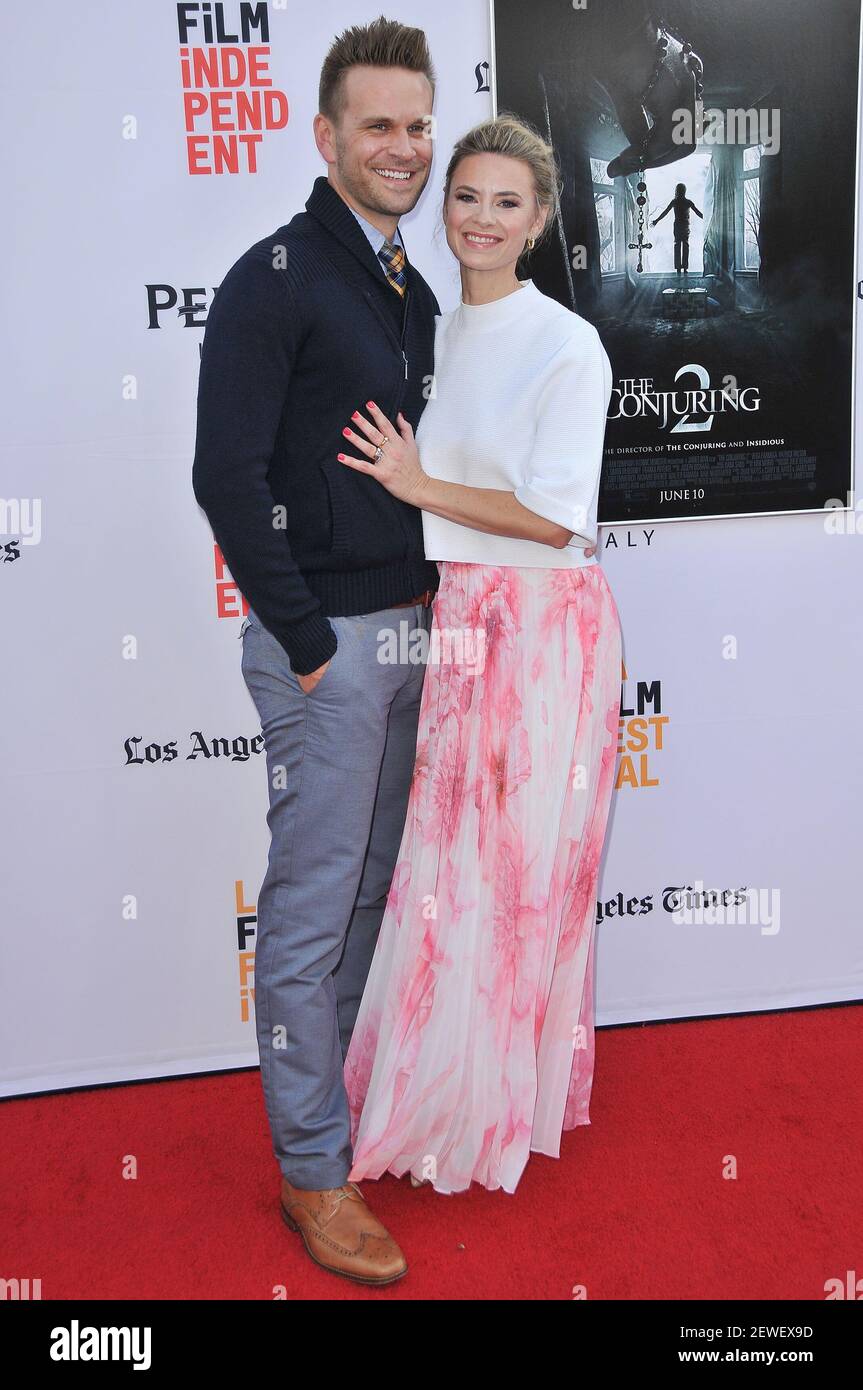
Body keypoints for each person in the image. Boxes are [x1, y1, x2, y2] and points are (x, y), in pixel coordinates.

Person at [191, 17, 443, 1285]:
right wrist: (300, 640)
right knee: (305, 913)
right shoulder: (275, 275)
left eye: (416, 122)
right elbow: (223, 474)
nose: (401, 146)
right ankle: (309, 1173)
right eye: (377, 124)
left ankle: (330, 1128)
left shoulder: (410, 285)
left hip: (411, 633)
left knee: (360, 895)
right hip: (327, 646)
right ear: (326, 135)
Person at [340, 114, 622, 1195]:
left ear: (539, 221)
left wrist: (416, 489)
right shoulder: (437, 331)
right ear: (440, 207)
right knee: (447, 869)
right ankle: (436, 1085)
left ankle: (485, 1105)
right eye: (466, 197)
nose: (482, 219)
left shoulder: (566, 345)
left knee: (507, 877)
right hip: (462, 615)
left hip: (545, 628)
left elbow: (556, 519)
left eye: (507, 202)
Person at [653, 182, 703, 273]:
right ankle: (685, 267)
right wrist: (707, 218)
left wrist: (657, 220)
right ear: (684, 191)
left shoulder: (675, 201)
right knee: (685, 245)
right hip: (685, 226)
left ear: (677, 191)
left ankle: (679, 268)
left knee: (677, 245)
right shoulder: (688, 202)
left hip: (677, 226)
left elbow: (665, 212)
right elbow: (698, 213)